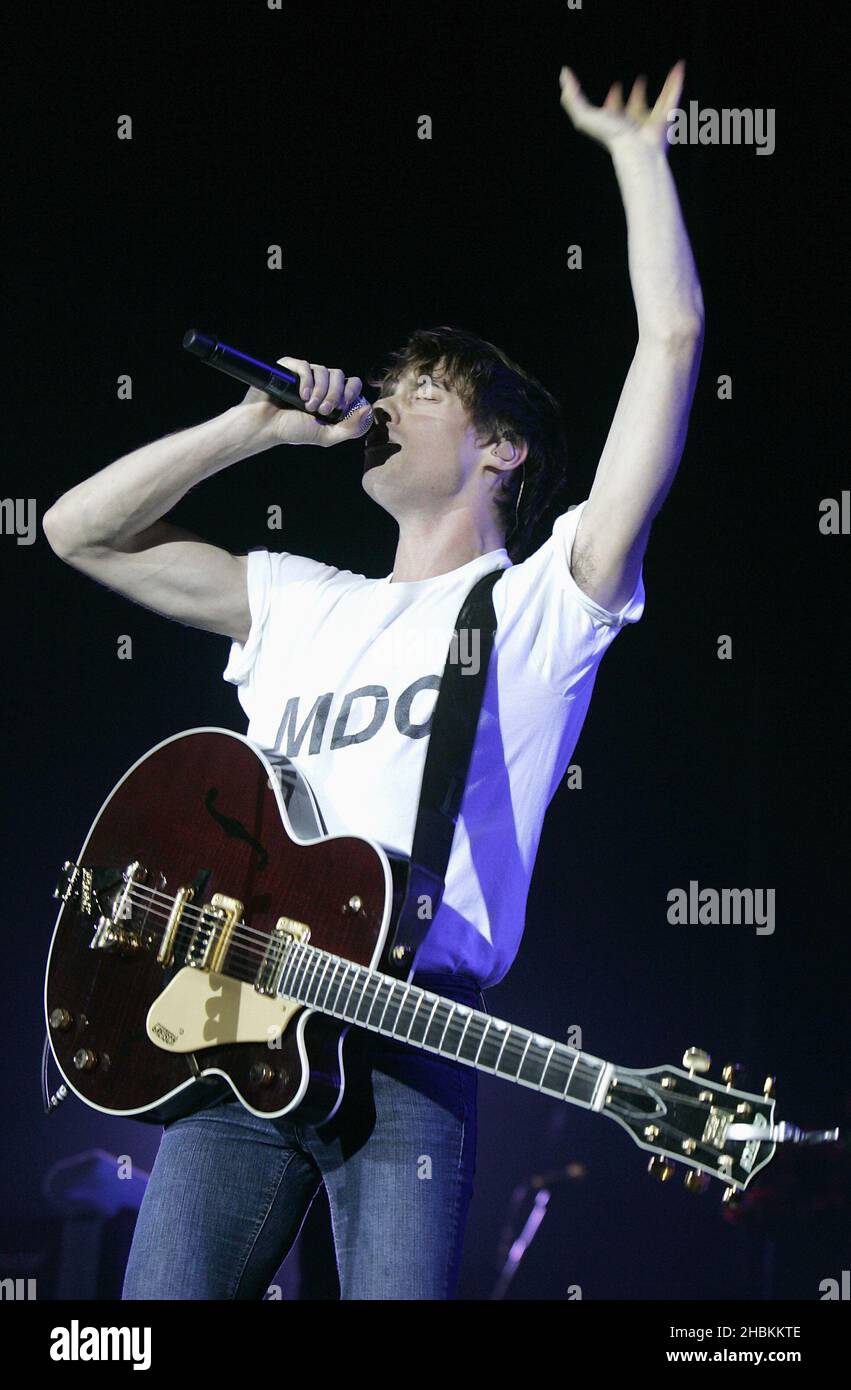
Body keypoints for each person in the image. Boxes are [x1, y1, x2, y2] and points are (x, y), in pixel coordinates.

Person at [42, 62, 703, 1300]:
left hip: (408, 1048)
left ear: (500, 450)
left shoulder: (540, 601)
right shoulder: (299, 596)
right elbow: (76, 531)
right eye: (386, 385)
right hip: (235, 1032)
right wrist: (250, 430)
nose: (385, 400)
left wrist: (632, 154)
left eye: (422, 390)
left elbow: (668, 346)